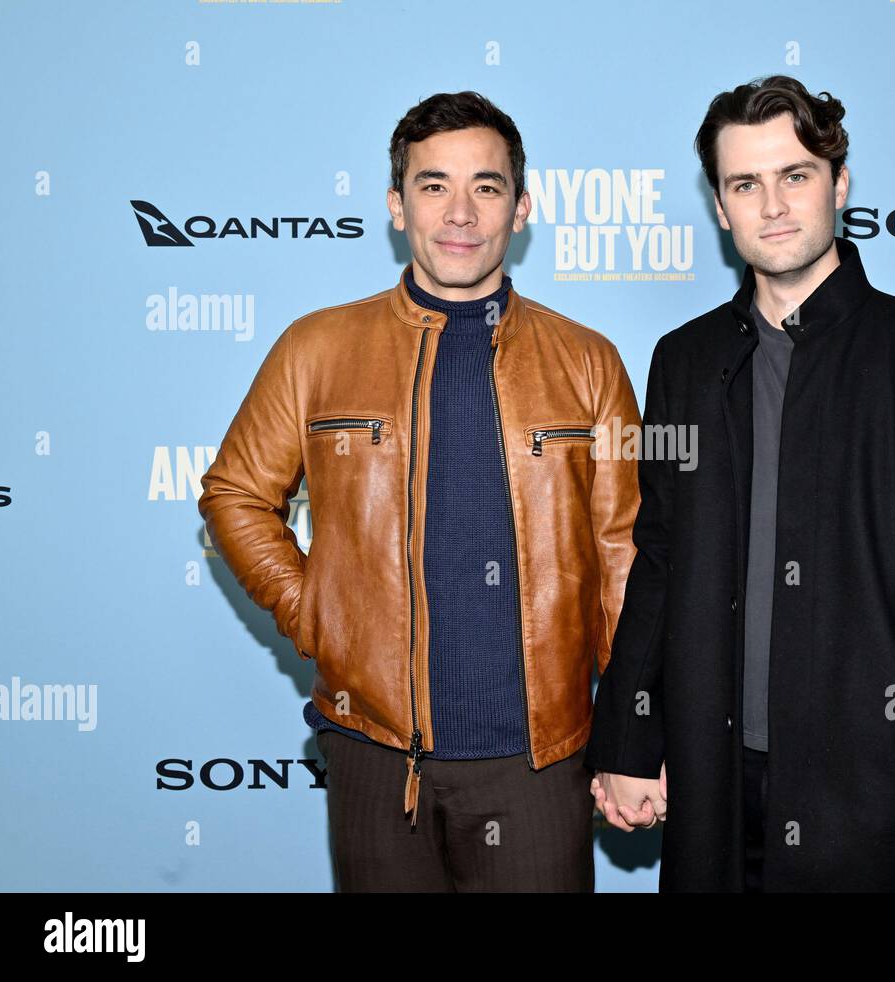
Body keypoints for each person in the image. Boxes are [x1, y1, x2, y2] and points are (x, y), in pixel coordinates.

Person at [587, 75, 895, 891]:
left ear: (840, 185)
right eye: (745, 184)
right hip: (711, 788)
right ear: (720, 207)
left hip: (868, 803)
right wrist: (626, 742)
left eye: (795, 175)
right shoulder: (684, 362)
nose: (773, 204)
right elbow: (660, 560)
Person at [198, 90, 641, 892]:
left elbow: (622, 558)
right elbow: (235, 494)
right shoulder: (317, 348)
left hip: (541, 761)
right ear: (397, 206)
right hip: (375, 758)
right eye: (434, 186)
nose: (461, 213)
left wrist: (638, 729)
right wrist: (314, 612)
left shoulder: (589, 363)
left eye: (487, 186)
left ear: (523, 206)